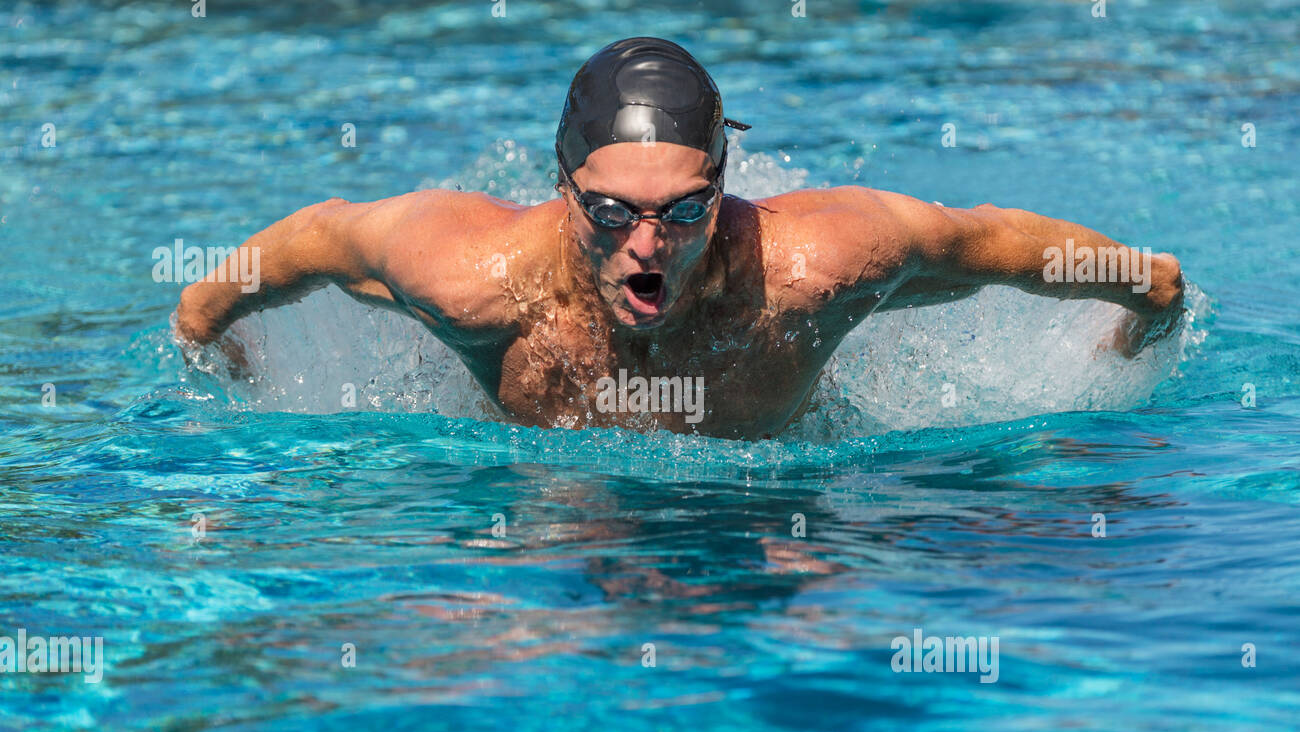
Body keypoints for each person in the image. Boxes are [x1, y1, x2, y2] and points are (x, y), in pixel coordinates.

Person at [176, 37, 1185, 439]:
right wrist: (213, 342)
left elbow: (981, 241)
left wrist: (1139, 289)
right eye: (611, 212)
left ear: (725, 186)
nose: (645, 244)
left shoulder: (818, 264)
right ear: (562, 185)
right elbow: (311, 242)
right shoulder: (470, 275)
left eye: (684, 211)